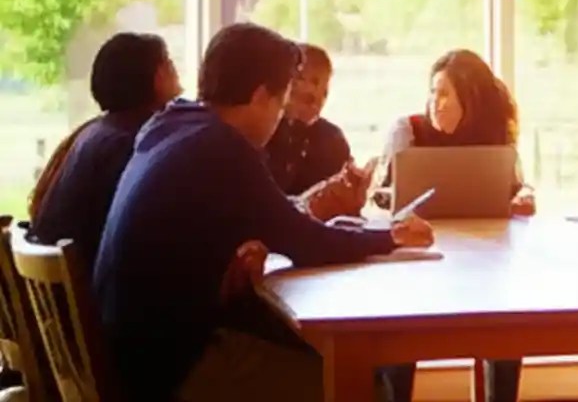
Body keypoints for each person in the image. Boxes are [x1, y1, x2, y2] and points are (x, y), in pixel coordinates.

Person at [92, 23, 434, 402]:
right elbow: (304, 241)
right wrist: (390, 236)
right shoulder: (222, 146)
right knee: (363, 386)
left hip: (129, 356)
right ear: (259, 97)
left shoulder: (171, 125)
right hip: (174, 369)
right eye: (281, 98)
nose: (280, 114)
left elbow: (262, 216)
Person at [378, 49, 531, 402]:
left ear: (471, 100)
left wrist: (521, 199)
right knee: (404, 324)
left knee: (506, 320)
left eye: (445, 93)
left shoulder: (496, 137)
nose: (435, 102)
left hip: (483, 258)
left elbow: (514, 189)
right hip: (420, 260)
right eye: (432, 92)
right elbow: (384, 197)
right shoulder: (408, 130)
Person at [28, 32, 182, 263]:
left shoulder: (91, 133)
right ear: (159, 76)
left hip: (66, 291)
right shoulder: (137, 143)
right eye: (168, 61)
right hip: (97, 294)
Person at [264, 43, 351, 196]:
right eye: (302, 78)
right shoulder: (264, 133)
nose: (313, 91)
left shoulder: (332, 139)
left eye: (321, 85)